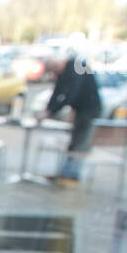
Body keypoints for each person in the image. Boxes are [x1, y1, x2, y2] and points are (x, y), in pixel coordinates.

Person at [45, 55, 101, 188]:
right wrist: (48, 109)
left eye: (55, 71)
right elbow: (58, 91)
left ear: (58, 65)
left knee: (80, 142)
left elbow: (71, 93)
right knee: (74, 141)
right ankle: (65, 173)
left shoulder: (77, 67)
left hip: (89, 109)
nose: (56, 74)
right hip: (80, 109)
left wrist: (52, 111)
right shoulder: (66, 71)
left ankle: (71, 176)